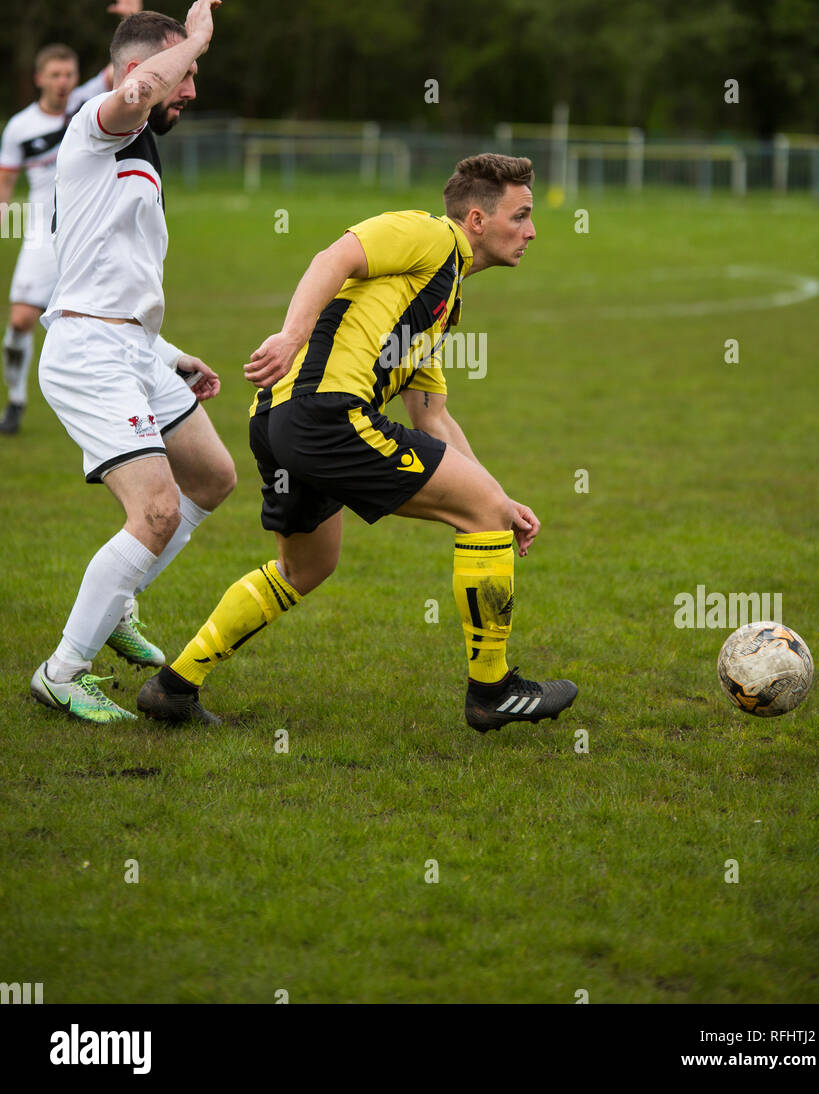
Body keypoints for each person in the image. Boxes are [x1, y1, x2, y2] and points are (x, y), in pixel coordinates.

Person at [139, 153, 577, 733]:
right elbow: (336, 255)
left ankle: (173, 687)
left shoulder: (441, 300)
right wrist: (292, 335)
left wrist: (501, 495)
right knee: (484, 522)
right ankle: (491, 692)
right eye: (520, 216)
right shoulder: (429, 235)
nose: (532, 229)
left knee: (305, 568)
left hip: (278, 423)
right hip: (325, 416)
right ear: (476, 219)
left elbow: (433, 418)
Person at [29, 0, 237, 724]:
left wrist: (170, 353)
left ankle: (116, 603)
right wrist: (196, 37)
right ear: (135, 71)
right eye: (186, 72)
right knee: (152, 511)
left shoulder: (138, 148)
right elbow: (144, 89)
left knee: (211, 478)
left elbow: (121, 274)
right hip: (88, 351)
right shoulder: (96, 126)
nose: (190, 88)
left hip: (134, 345)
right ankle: (63, 671)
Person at [0, 0, 144, 435]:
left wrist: (130, 17)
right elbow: (5, 186)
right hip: (43, 229)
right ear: (40, 78)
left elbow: (129, 67)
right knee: (22, 318)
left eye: (69, 74)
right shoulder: (20, 128)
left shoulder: (85, 104)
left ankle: (113, 395)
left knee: (99, 313)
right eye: (56, 75)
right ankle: (17, 400)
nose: (64, 83)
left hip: (89, 224)